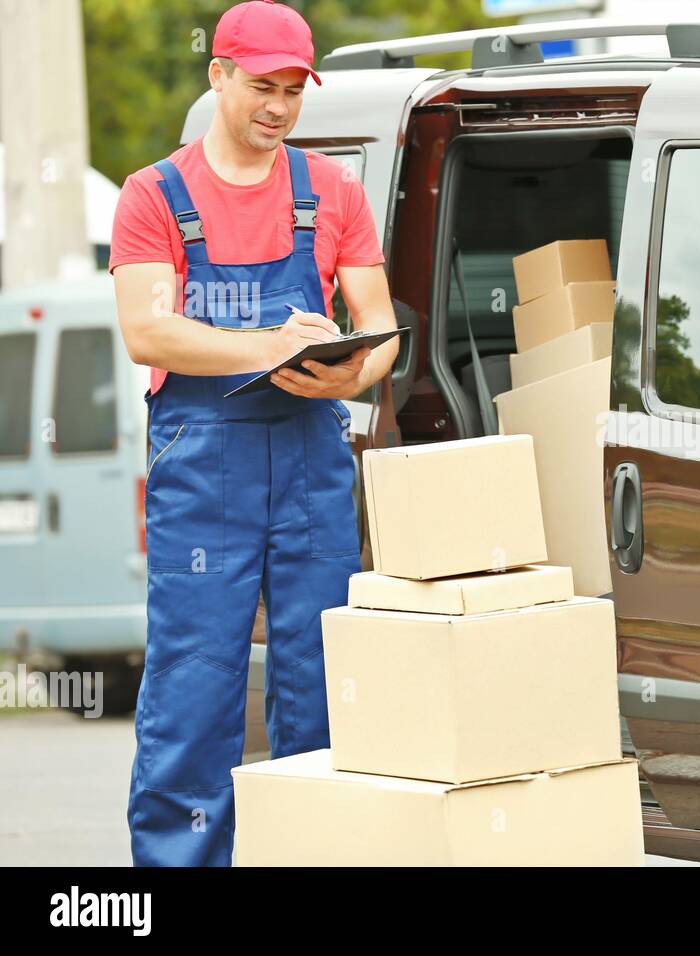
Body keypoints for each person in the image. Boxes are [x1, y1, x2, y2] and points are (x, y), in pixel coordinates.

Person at [109, 0, 398, 866]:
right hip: (203, 469)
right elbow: (149, 332)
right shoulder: (152, 195)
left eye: (292, 91)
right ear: (218, 76)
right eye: (261, 87)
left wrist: (357, 371)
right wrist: (269, 344)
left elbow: (377, 322)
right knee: (196, 689)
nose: (277, 107)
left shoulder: (333, 190)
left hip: (311, 460)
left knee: (322, 688)